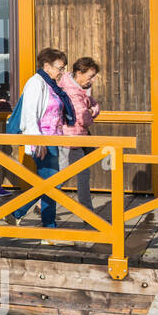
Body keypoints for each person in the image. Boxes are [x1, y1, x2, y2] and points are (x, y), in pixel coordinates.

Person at [15, 48, 76, 228]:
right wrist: (37, 141)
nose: (62, 72)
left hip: (53, 140)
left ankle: (41, 220)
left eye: (63, 68)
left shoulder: (50, 84)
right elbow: (30, 114)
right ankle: (43, 223)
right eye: (59, 67)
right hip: (43, 140)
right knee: (51, 184)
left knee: (49, 184)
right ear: (46, 65)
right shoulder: (36, 83)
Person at [57, 57, 102, 211]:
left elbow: (89, 103)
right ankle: (87, 212)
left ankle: (43, 200)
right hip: (72, 137)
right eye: (90, 76)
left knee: (65, 173)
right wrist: (93, 112)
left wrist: (93, 106)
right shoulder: (72, 91)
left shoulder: (75, 87)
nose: (93, 80)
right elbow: (83, 118)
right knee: (76, 174)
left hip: (77, 136)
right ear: (79, 73)